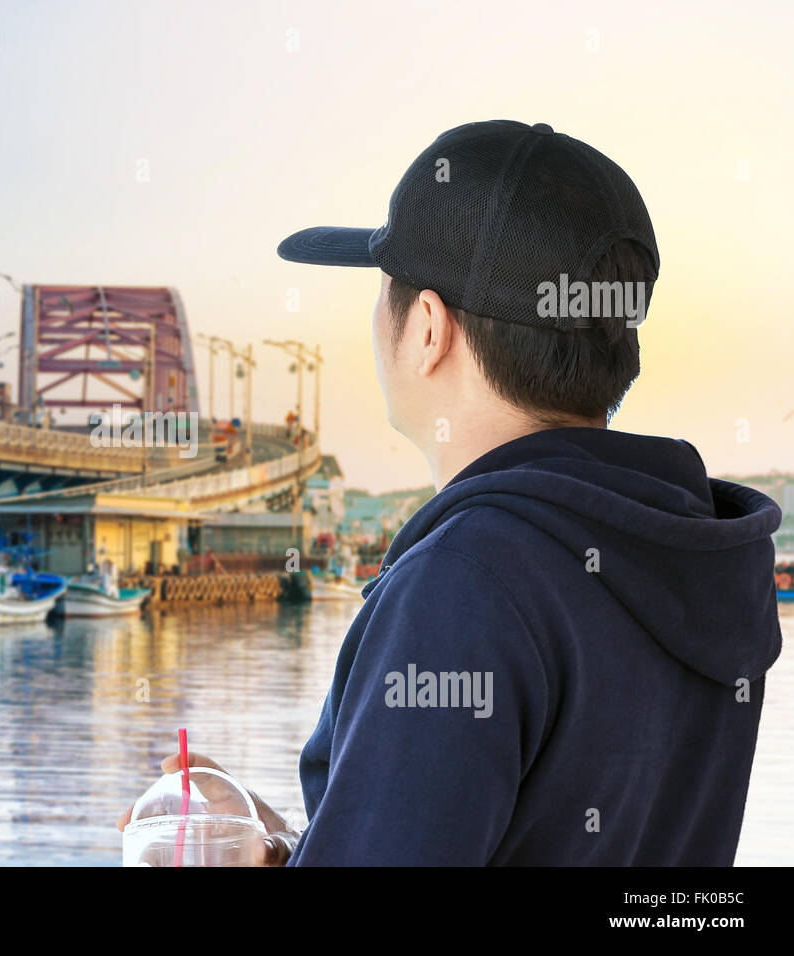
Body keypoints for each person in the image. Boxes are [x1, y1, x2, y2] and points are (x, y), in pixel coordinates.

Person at [119, 120, 782, 865]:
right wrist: (288, 846)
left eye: (385, 294)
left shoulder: (466, 584)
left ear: (428, 329)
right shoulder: (700, 562)